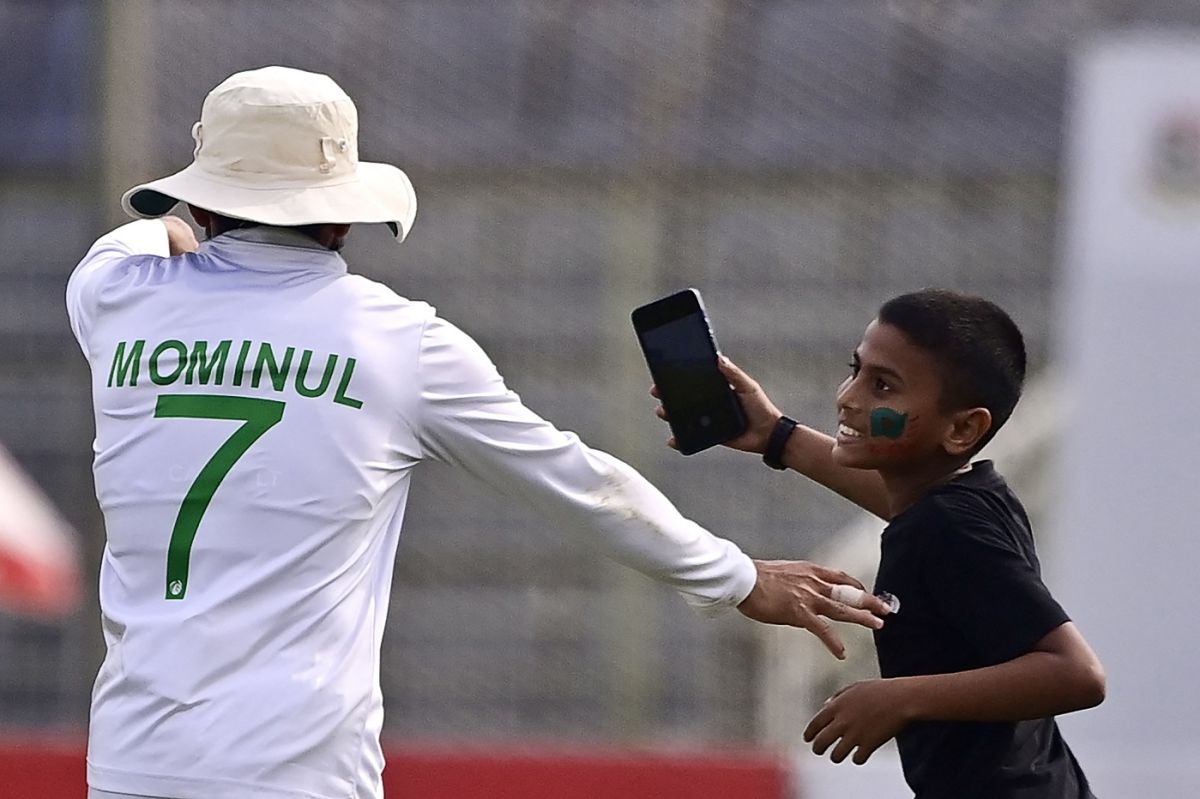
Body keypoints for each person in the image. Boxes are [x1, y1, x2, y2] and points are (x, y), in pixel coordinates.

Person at [66, 66, 890, 799]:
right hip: (295, 769)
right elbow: (580, 482)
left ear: (203, 199)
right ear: (344, 216)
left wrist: (179, 234)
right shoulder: (400, 343)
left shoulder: (116, 298)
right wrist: (738, 577)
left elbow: (133, 237)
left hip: (134, 759)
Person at [653, 289, 1106, 797]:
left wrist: (899, 698)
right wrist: (776, 435)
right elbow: (907, 508)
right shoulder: (962, 502)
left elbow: (1075, 673)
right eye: (856, 370)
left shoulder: (951, 526)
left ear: (963, 427)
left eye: (883, 386)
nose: (849, 397)